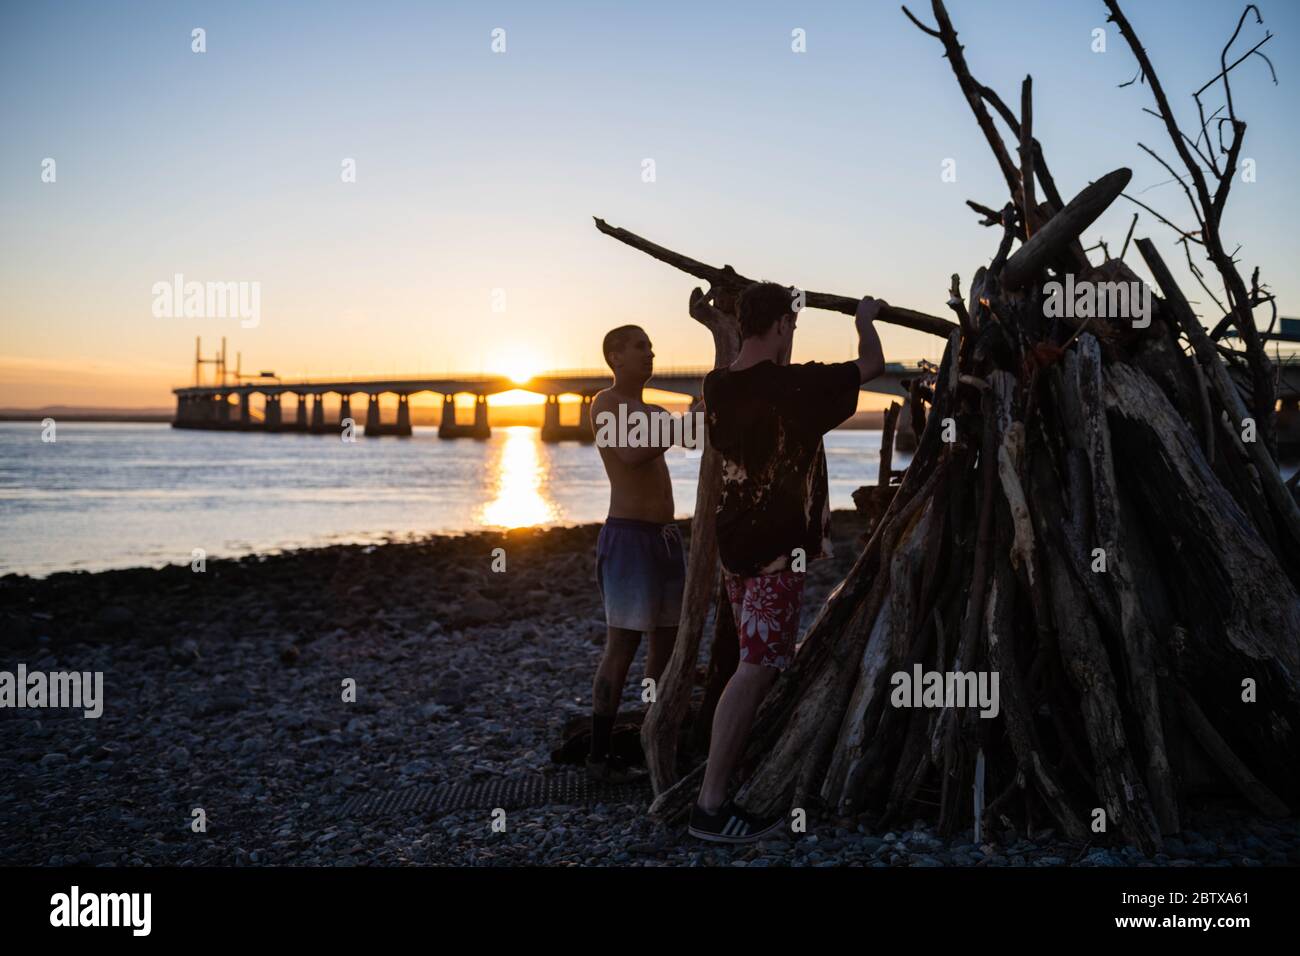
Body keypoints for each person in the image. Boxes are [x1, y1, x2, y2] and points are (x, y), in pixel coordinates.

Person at [686, 282, 886, 842]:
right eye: (790, 327)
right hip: (778, 550)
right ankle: (710, 803)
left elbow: (762, 378)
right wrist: (864, 319)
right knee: (757, 666)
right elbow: (872, 365)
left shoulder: (718, 384)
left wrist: (777, 333)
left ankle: (729, 777)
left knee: (754, 661)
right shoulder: (796, 385)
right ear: (780, 327)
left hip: (735, 545)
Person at [586, 325, 686, 783]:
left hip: (665, 538)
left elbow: (695, 439)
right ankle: (598, 753)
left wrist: (700, 418)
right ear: (615, 357)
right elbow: (629, 454)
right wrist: (685, 423)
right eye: (640, 346)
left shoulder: (656, 410)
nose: (651, 353)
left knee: (665, 645)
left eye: (650, 345)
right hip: (627, 538)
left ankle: (653, 737)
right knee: (622, 646)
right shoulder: (606, 403)